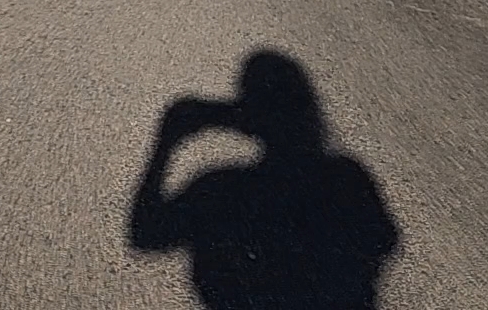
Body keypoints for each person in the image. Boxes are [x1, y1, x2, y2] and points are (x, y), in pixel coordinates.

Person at [127, 51, 399, 309]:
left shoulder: (223, 192)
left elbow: (146, 233)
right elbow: (383, 239)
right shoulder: (345, 179)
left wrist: (166, 145)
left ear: (246, 114)